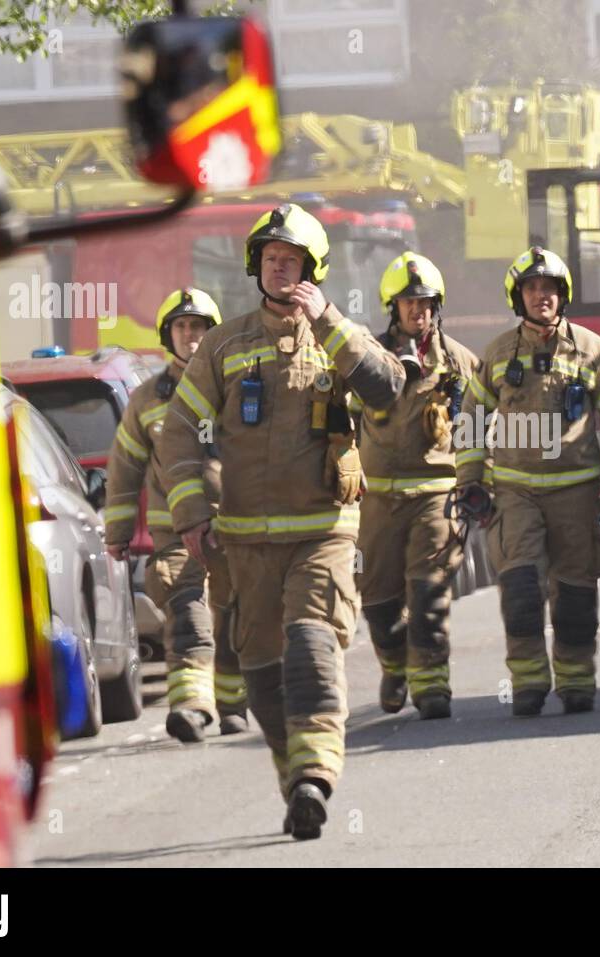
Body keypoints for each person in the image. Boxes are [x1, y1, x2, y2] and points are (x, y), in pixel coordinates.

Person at [156, 203, 404, 839]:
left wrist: (330, 323)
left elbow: (387, 389)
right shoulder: (223, 344)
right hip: (243, 545)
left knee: (313, 646)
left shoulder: (338, 335)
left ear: (312, 269)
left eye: (290, 259)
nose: (278, 267)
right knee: (262, 671)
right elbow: (179, 428)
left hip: (322, 531)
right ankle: (296, 780)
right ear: (255, 267)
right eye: (270, 258)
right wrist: (189, 510)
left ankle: (318, 774)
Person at [454, 246, 600, 716]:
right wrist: (470, 481)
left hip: (577, 491)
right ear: (518, 298)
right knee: (519, 588)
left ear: (563, 295)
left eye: (550, 289)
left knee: (575, 592)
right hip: (515, 492)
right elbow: (472, 417)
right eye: (533, 289)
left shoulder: (593, 351)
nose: (542, 297)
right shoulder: (498, 353)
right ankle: (528, 681)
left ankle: (577, 681)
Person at [104, 287, 248, 741]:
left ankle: (232, 702)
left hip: (236, 528)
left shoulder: (239, 386)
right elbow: (124, 471)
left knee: (233, 617)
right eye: (183, 327)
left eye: (199, 327)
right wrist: (118, 533)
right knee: (188, 615)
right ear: (169, 335)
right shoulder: (147, 399)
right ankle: (191, 705)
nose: (191, 335)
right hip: (176, 535)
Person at [354, 253, 480, 720]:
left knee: (428, 595)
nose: (417, 310)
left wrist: (480, 483)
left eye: (425, 302)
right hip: (377, 501)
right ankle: (395, 665)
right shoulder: (367, 357)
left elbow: (484, 425)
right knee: (378, 602)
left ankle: (432, 687)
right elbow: (335, 417)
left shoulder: (461, 363)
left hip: (436, 497)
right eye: (408, 302)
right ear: (393, 306)